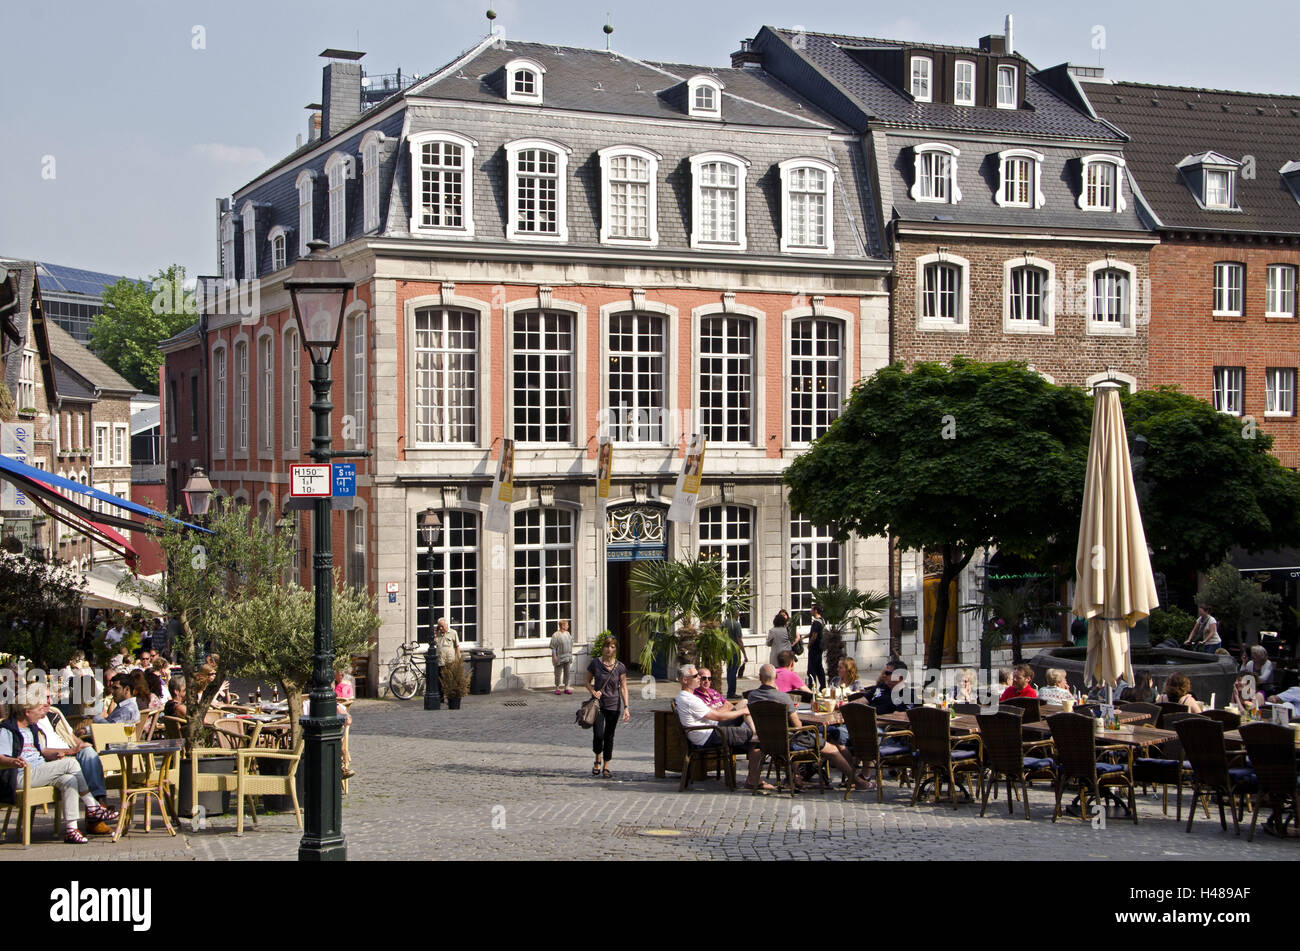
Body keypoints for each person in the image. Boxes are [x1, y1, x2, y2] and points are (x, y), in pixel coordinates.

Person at [0, 683, 118, 843]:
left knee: (69, 780)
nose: (43, 712)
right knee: (70, 765)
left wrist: (61, 752)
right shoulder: (8, 729)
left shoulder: (31, 728)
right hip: (20, 776)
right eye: (39, 710)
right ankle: (93, 806)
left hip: (38, 770)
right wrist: (12, 760)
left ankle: (71, 829)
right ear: (27, 712)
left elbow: (41, 751)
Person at [748, 664, 870, 791]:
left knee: (808, 738)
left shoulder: (752, 696)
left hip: (766, 741)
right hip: (788, 741)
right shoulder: (783, 697)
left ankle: (795, 777)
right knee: (831, 749)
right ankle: (856, 781)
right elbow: (798, 726)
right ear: (776, 677)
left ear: (760, 677)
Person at [675, 665, 769, 791]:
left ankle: (754, 734)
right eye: (696, 676)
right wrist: (742, 712)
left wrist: (741, 711)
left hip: (711, 729)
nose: (699, 678)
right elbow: (717, 716)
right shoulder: (689, 699)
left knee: (744, 706)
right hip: (708, 735)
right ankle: (753, 780)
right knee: (760, 738)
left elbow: (722, 710)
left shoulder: (687, 697)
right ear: (685, 680)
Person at [32, 698, 113, 810]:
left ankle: (100, 800)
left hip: (71, 752)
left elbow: (73, 737)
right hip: (55, 758)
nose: (50, 701)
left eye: (49, 697)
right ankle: (94, 809)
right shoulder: (31, 721)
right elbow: (41, 750)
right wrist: (71, 751)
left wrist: (82, 745)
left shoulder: (54, 713)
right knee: (75, 764)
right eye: (45, 698)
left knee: (88, 752)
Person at [584, 636, 629, 779]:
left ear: (615, 649)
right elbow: (586, 681)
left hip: (613, 705)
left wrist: (626, 707)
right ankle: (597, 758)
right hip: (598, 705)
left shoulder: (620, 666)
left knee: (609, 736)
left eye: (612, 647)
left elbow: (623, 688)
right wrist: (593, 692)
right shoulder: (595, 664)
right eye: (607, 646)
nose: (609, 649)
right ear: (603, 647)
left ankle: (606, 766)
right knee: (598, 734)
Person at [724, 617, 747, 700]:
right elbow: (739, 640)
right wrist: (744, 654)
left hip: (726, 650)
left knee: (729, 671)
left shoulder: (724, 623)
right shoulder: (736, 624)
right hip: (734, 651)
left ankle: (730, 692)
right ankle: (731, 693)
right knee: (733, 672)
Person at [549, 620, 574, 695]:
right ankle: (557, 688)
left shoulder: (568, 634)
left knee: (567, 673)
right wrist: (554, 656)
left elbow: (571, 644)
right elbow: (553, 647)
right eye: (567, 625)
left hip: (567, 656)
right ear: (562, 626)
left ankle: (566, 687)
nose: (568, 626)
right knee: (558, 673)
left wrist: (570, 655)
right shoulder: (555, 635)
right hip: (559, 657)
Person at [806, 604, 827, 691]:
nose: (810, 611)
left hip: (814, 648)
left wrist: (809, 644)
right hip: (819, 648)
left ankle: (812, 686)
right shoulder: (822, 620)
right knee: (819, 667)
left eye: (812, 609)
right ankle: (823, 686)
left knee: (812, 669)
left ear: (816, 611)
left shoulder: (816, 622)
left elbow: (814, 635)